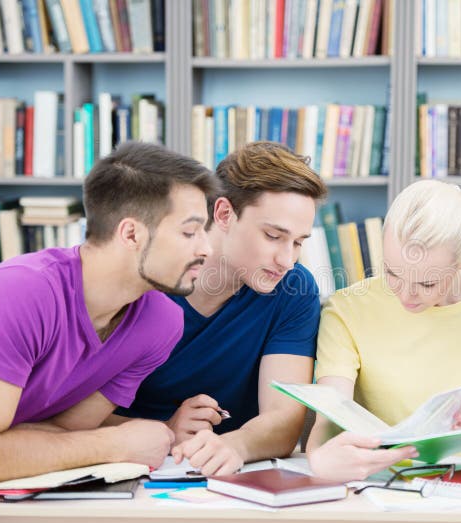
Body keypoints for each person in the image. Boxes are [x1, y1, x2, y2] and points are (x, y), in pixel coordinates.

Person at [0, 142, 217, 488]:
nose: (206, 248)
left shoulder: (160, 323)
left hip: (7, 495)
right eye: (189, 232)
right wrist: (116, 443)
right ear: (131, 234)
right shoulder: (18, 294)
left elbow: (63, 432)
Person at [111, 141, 328, 476]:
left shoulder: (294, 289)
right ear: (224, 214)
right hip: (131, 471)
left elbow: (284, 421)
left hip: (233, 476)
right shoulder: (143, 282)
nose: (287, 259)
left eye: (298, 242)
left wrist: (235, 446)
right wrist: (166, 430)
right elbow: (73, 421)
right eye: (273, 236)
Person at [306, 180, 461, 481]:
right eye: (392, 273)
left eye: (426, 283)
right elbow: (329, 422)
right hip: (378, 484)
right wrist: (321, 458)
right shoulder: (346, 309)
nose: (405, 295)